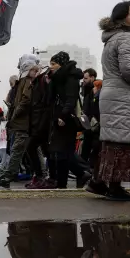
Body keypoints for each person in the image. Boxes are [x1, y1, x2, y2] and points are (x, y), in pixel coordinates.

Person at [86, 1, 130, 201]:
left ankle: (99, 182)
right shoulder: (124, 39)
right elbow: (128, 69)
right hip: (121, 96)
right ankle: (114, 188)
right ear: (122, 17)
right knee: (122, 143)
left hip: (112, 94)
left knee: (113, 143)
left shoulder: (112, 38)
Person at [0, 54, 39, 188]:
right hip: (21, 123)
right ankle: (11, 175)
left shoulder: (27, 81)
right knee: (28, 150)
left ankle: (9, 176)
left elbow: (25, 100)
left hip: (23, 123)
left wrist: (15, 114)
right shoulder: (24, 81)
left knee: (19, 150)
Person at [46, 51, 83, 189]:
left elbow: (71, 99)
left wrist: (63, 116)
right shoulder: (57, 78)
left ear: (61, 64)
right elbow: (51, 98)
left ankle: (71, 178)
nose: (51, 66)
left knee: (63, 152)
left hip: (67, 119)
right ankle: (68, 180)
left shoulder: (71, 77)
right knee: (61, 152)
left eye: (53, 64)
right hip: (58, 117)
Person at [79, 68, 98, 163]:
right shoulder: (85, 89)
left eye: (86, 78)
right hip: (87, 122)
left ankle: (88, 166)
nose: (84, 80)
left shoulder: (95, 90)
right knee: (86, 145)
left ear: (92, 77)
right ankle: (84, 166)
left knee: (92, 145)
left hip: (93, 123)